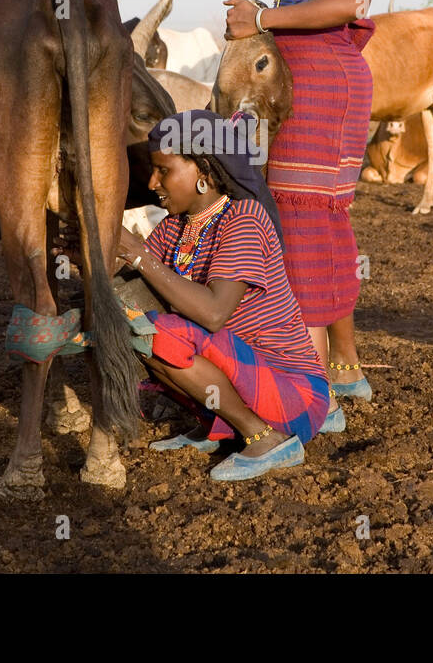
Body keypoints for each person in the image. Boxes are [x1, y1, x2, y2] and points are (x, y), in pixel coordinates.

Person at [221, 0, 400, 431]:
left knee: (299, 228)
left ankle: (311, 396)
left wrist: (262, 16)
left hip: (323, 80)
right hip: (318, 74)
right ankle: (330, 379)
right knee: (316, 226)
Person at [114, 110, 330, 481]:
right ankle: (217, 423)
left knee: (157, 333)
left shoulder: (244, 220)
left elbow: (214, 314)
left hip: (292, 392)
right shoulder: (174, 228)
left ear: (203, 172)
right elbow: (132, 289)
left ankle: (263, 436)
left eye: (163, 170)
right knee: (129, 320)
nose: (152, 183)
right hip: (241, 373)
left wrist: (136, 252)